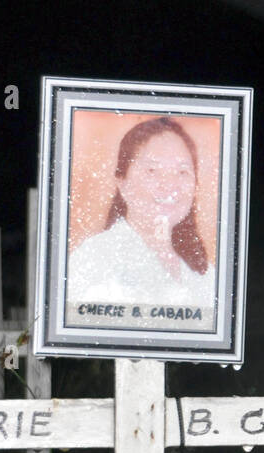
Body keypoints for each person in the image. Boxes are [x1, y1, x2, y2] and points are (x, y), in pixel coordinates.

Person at [66, 116, 216, 324]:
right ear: (122, 182)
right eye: (152, 170)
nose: (169, 185)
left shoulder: (207, 275)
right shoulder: (92, 259)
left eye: (182, 172)